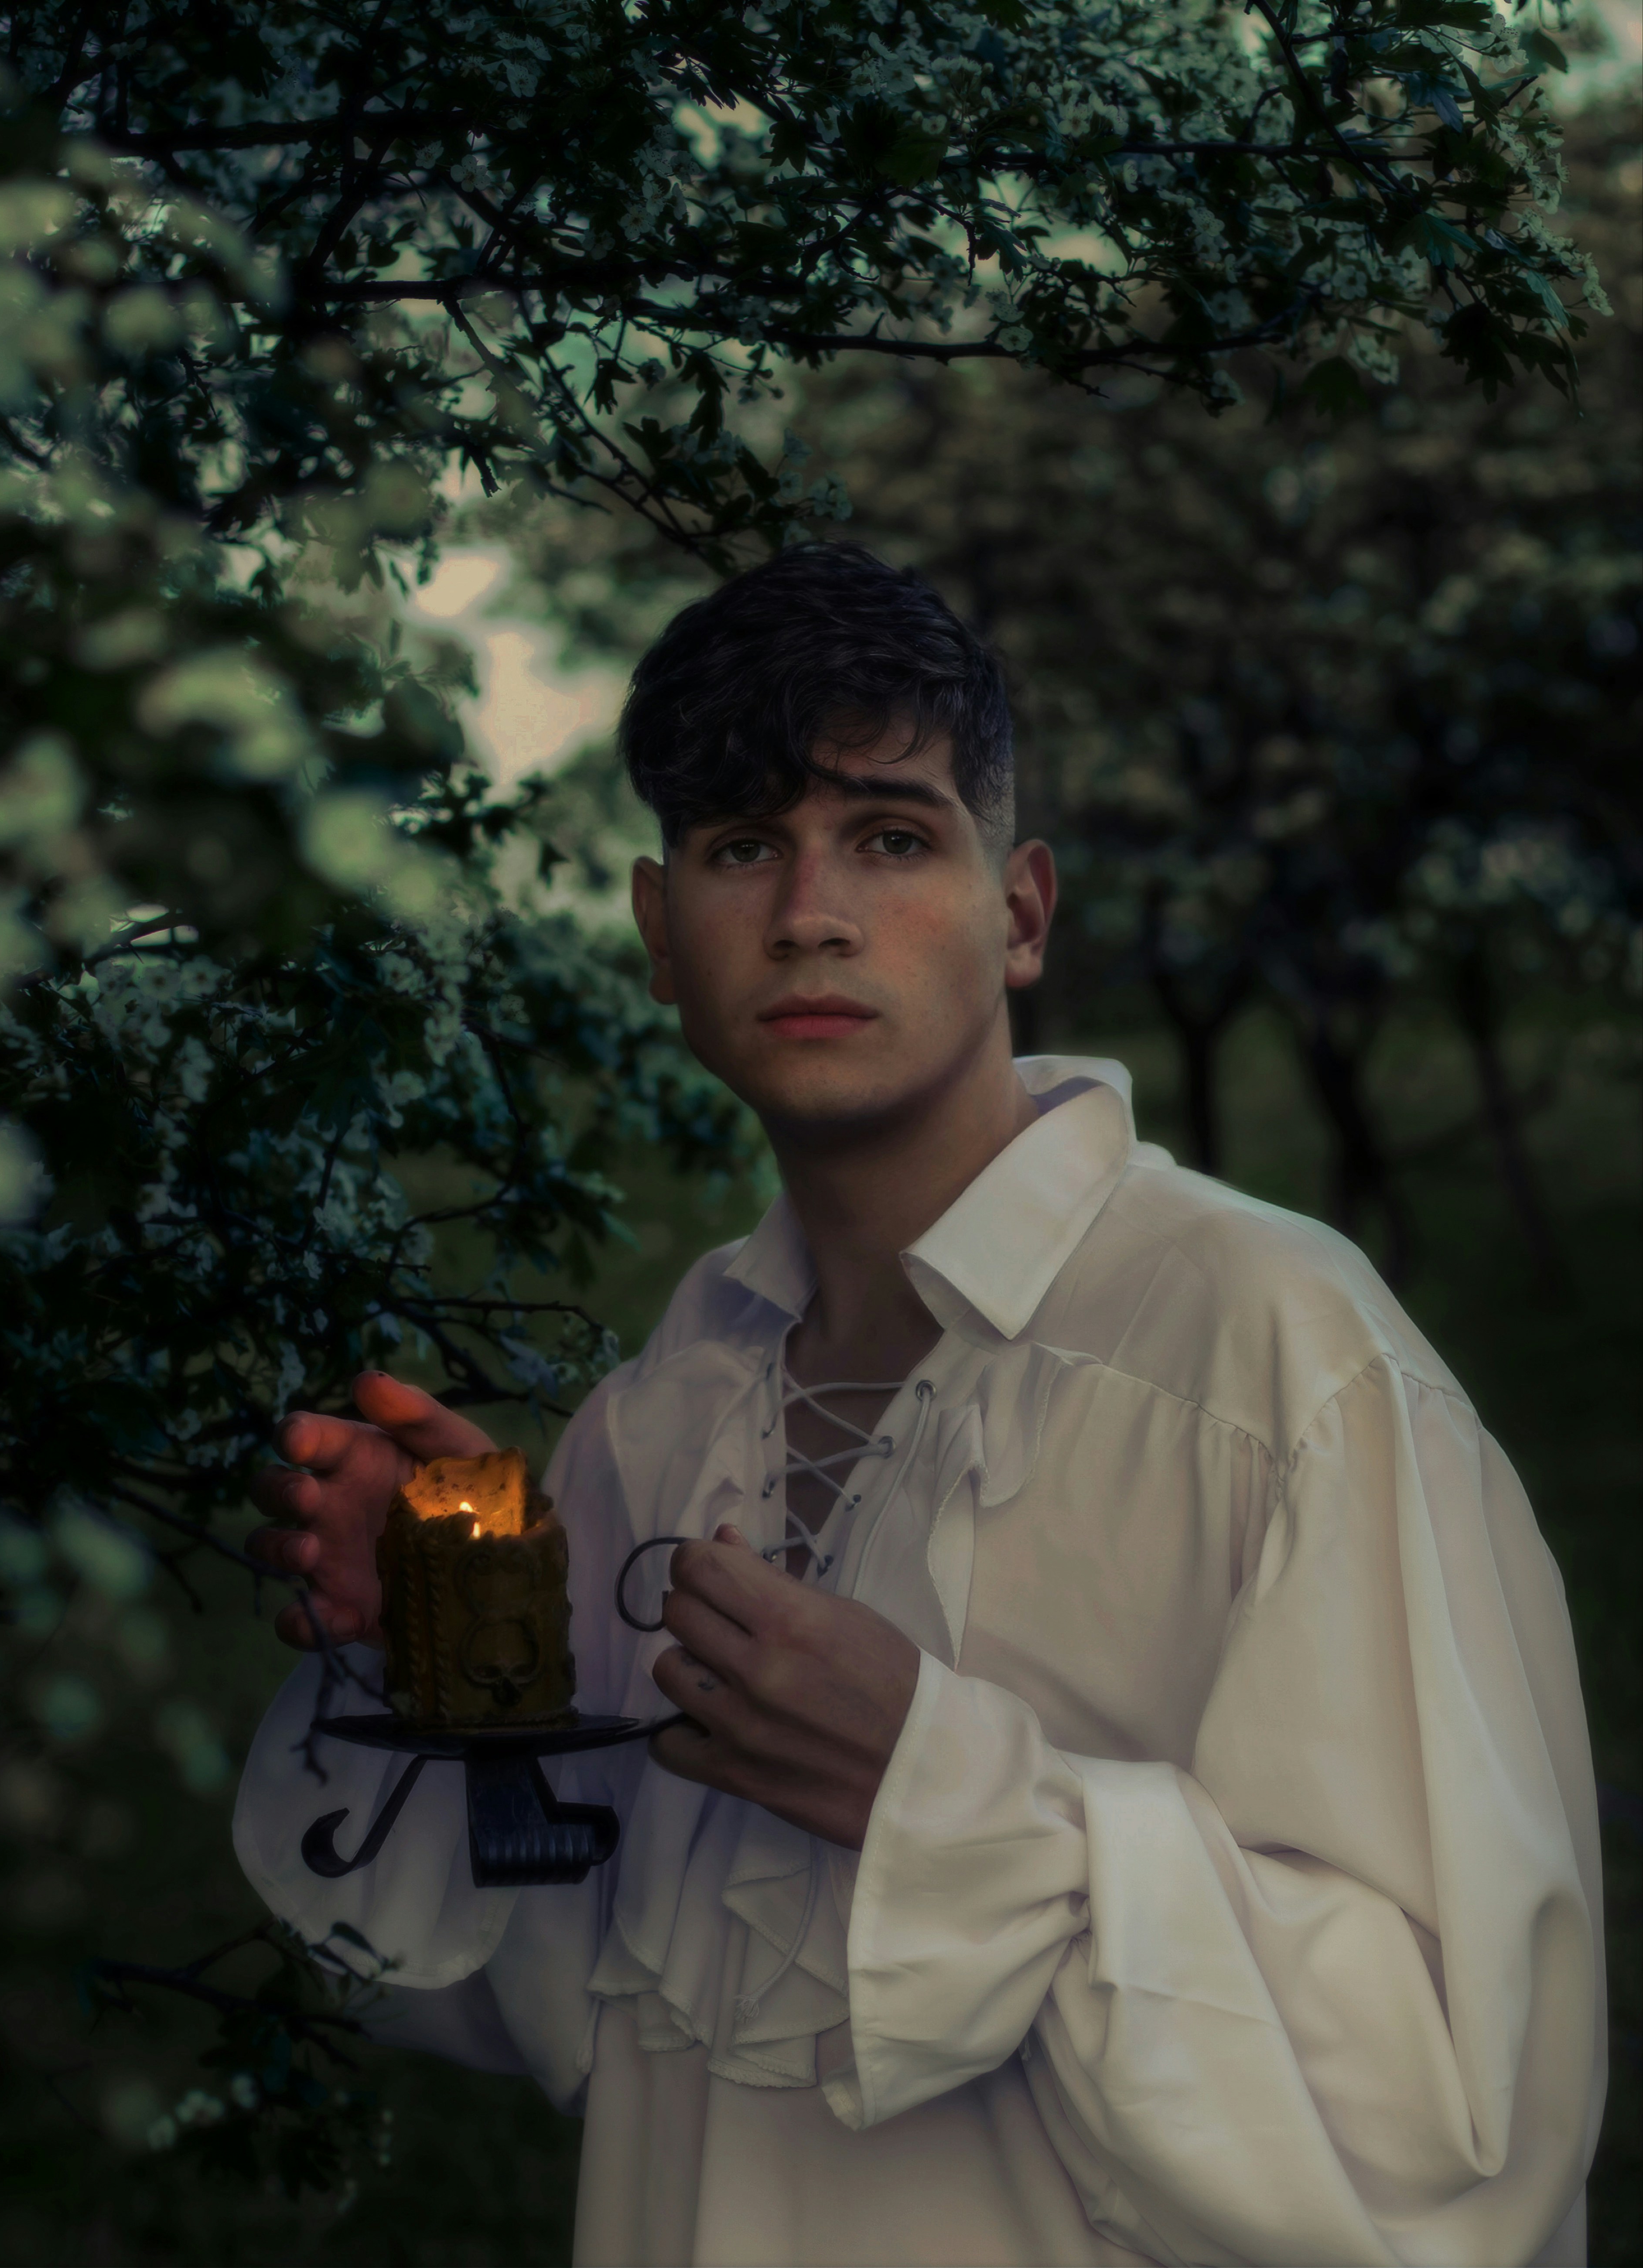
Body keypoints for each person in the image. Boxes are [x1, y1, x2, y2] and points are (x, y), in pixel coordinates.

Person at [234, 543, 1604, 2268]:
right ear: (662, 935)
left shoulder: (1273, 1357)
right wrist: (446, 1649)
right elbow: (539, 1997)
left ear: (1018, 909)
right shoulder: (661, 1413)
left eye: (888, 836)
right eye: (743, 846)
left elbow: (1461, 2131)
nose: (811, 910)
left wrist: (946, 1794)